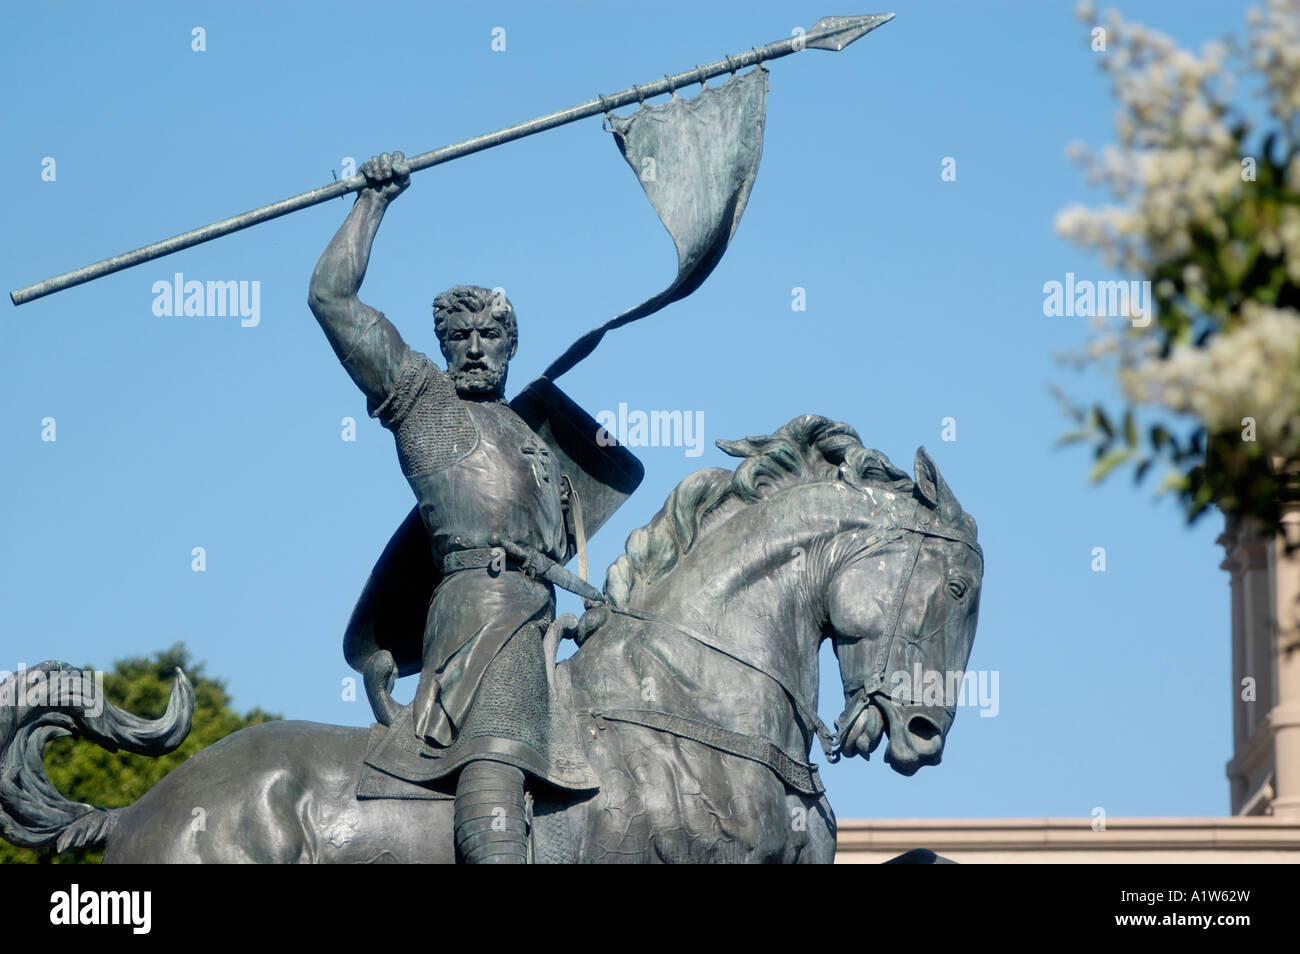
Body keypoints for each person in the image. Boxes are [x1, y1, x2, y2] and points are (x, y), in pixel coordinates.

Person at [308, 151, 575, 864]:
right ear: (442, 346)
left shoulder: (532, 439)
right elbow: (330, 300)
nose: (476, 348)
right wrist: (374, 203)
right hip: (482, 615)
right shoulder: (428, 403)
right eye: (461, 337)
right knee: (497, 767)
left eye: (490, 336)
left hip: (549, 617)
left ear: (512, 344)